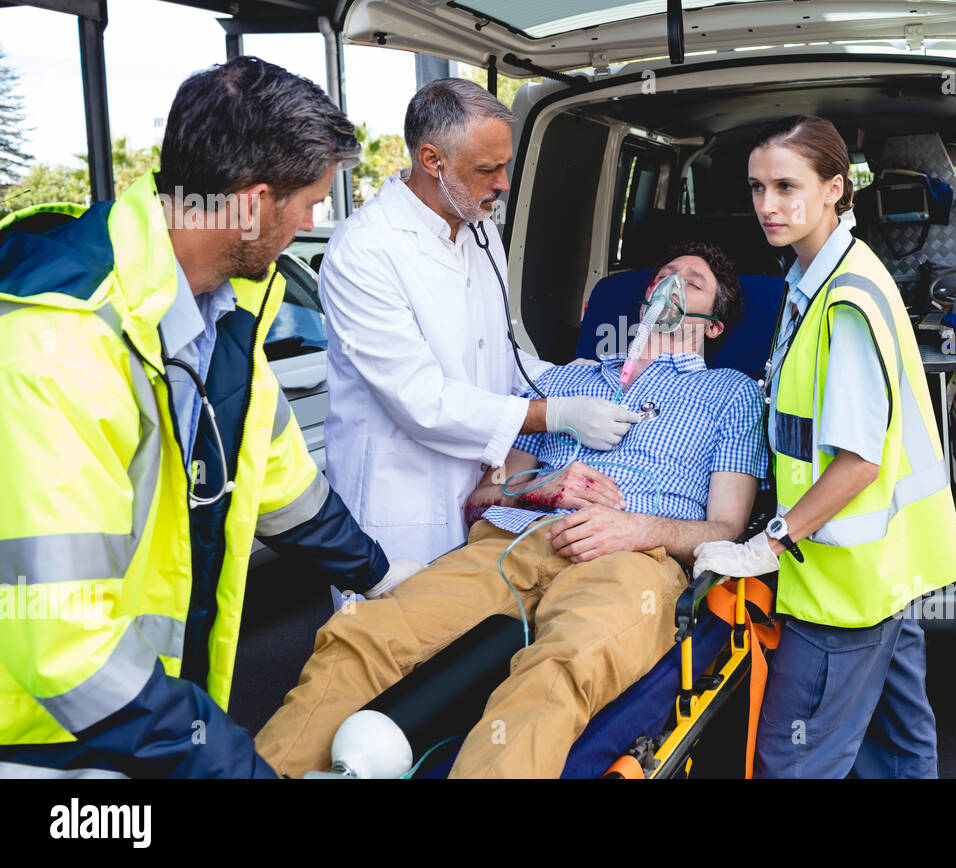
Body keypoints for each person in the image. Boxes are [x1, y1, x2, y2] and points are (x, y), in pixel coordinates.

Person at [0, 57, 419, 778]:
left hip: (141, 714)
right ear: (252, 205)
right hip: (43, 740)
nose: (311, 224)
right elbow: (65, 647)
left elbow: (283, 485)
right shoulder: (58, 351)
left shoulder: (224, 313)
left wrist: (377, 573)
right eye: (309, 203)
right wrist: (227, 763)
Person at [255, 242, 767, 778]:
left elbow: (727, 529)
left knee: (558, 669)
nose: (673, 286)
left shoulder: (731, 395)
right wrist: (544, 486)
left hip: (631, 561)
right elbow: (485, 496)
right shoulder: (564, 383)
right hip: (513, 543)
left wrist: (635, 529)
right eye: (665, 275)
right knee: (364, 635)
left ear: (714, 325)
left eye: (693, 282)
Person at [693, 114, 956, 779]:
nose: (768, 205)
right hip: (883, 572)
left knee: (793, 759)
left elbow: (858, 463)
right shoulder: (825, 274)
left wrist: (768, 543)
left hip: (841, 585)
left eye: (787, 187)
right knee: (898, 750)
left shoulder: (843, 300)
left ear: (834, 189)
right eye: (757, 188)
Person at [317, 78, 636, 572]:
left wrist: (579, 381)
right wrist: (553, 414)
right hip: (402, 503)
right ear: (432, 160)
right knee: (399, 618)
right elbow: (421, 400)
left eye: (505, 165)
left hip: (481, 489)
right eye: (488, 169)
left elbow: (496, 353)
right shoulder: (364, 250)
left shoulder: (480, 228)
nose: (504, 183)